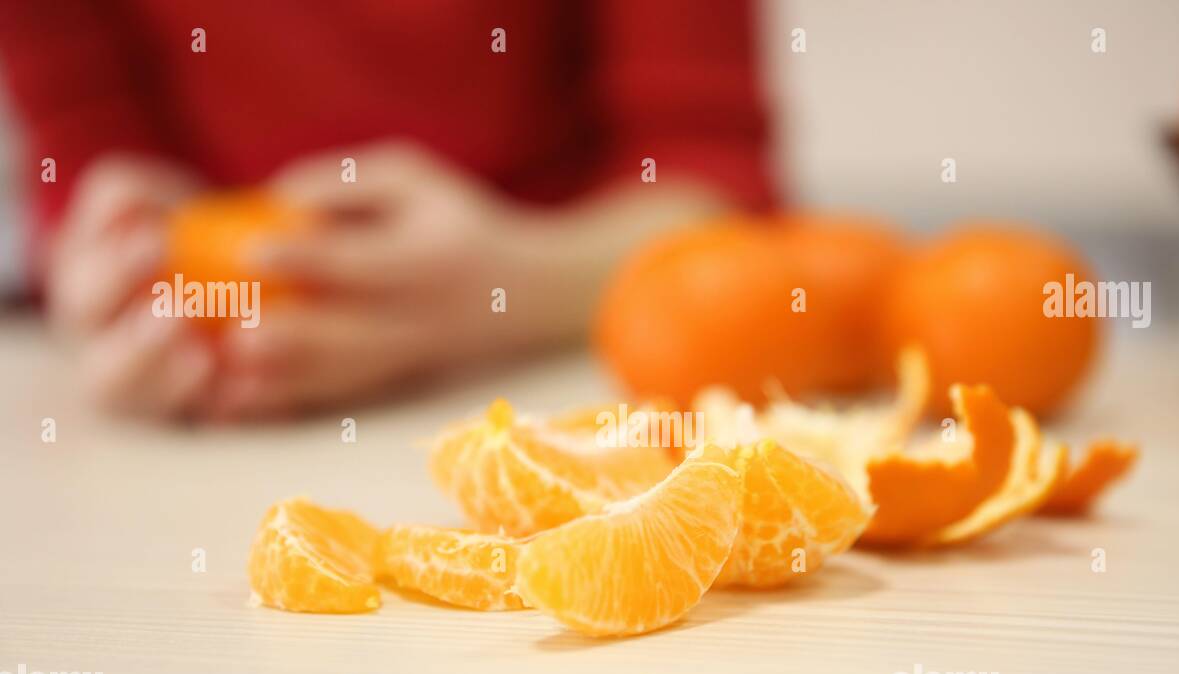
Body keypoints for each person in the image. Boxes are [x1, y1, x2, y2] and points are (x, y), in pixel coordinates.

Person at [0, 1, 774, 420]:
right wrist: (107, 283)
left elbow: (717, 190)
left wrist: (514, 284)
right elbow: (79, 171)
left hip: (565, 389)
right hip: (210, 445)